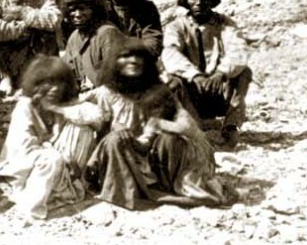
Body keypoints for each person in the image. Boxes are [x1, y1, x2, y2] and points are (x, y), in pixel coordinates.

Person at [89, 41, 227, 209]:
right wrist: (115, 128)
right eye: (125, 57)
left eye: (138, 57)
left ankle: (159, 188)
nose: (133, 61)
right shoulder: (107, 93)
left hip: (157, 154)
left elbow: (189, 128)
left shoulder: (159, 90)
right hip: (127, 153)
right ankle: (124, 190)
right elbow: (100, 128)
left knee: (169, 140)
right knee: (114, 140)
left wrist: (157, 124)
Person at [0, 55, 105, 220]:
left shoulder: (62, 105)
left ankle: (59, 190)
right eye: (49, 83)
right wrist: (55, 153)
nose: (54, 88)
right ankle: (32, 206)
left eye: (59, 83)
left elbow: (97, 116)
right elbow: (24, 149)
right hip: (24, 170)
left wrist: (58, 109)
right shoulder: (25, 107)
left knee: (82, 128)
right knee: (52, 159)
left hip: (58, 169)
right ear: (37, 84)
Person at [162, 0, 253, 147]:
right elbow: (170, 53)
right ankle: (194, 128)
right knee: (173, 81)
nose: (199, 3)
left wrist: (221, 73)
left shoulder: (225, 23)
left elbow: (239, 49)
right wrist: (194, 75)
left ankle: (231, 126)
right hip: (192, 92)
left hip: (218, 90)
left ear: (211, 0)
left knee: (244, 73)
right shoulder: (176, 26)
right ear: (186, 0)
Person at [58, 0, 124, 90]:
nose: (77, 14)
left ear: (95, 9)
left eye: (83, 9)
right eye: (72, 10)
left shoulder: (107, 33)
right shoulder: (74, 38)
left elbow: (116, 78)